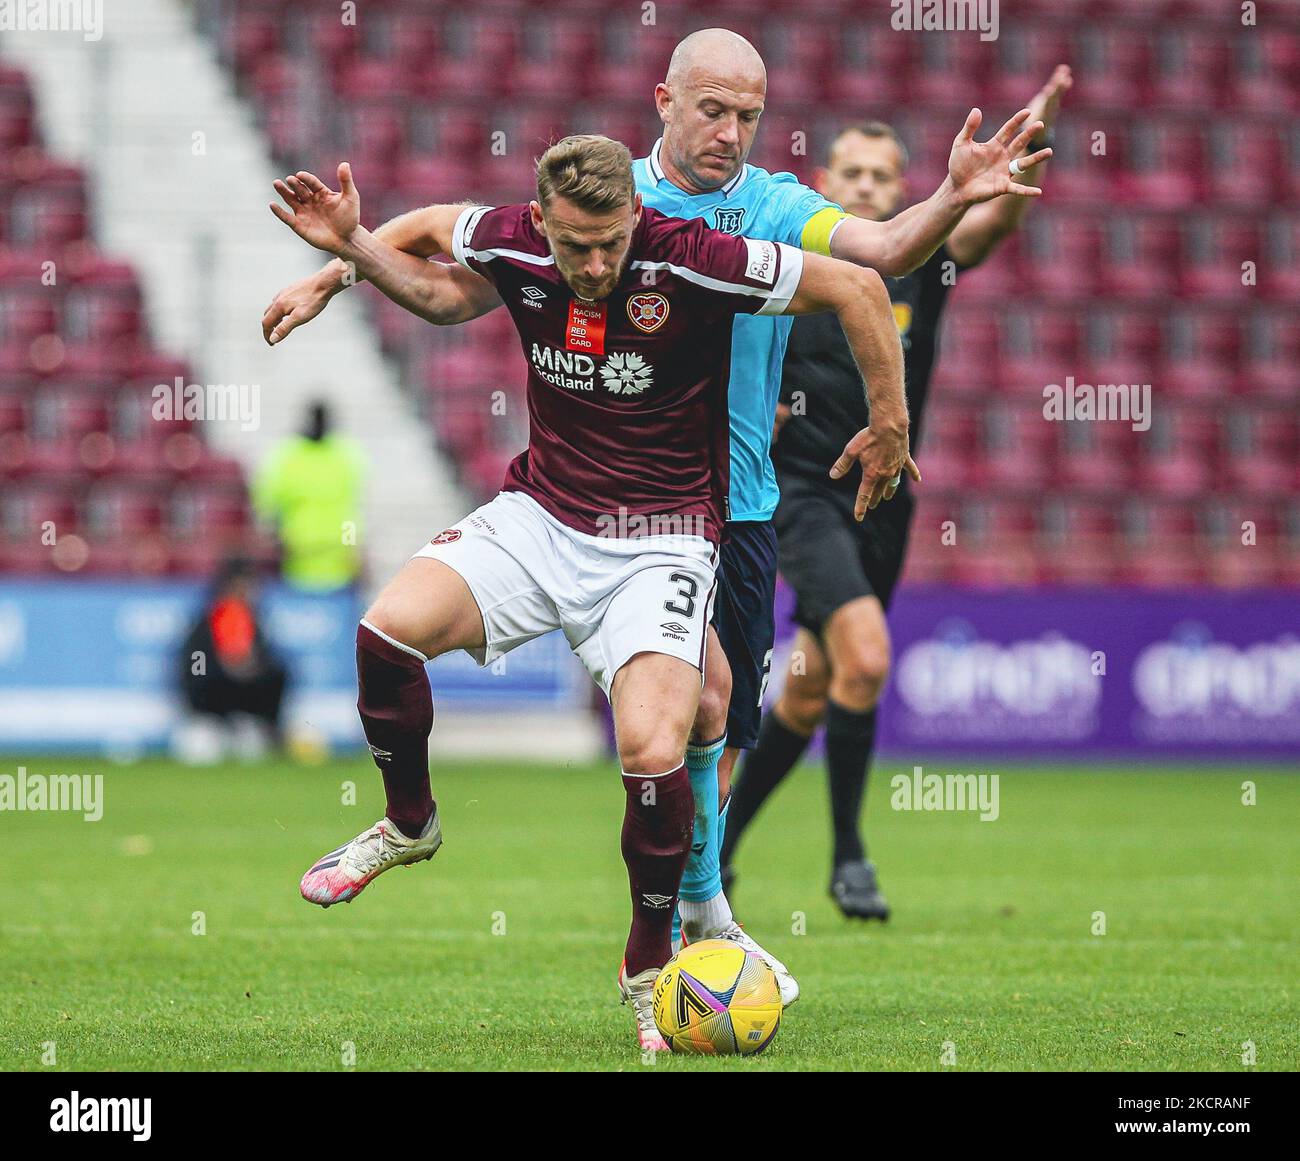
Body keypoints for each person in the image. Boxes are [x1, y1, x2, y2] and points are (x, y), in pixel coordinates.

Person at [262, 29, 1051, 987]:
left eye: (749, 116)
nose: (730, 132)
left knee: (712, 735)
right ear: (663, 99)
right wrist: (334, 265)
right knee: (677, 730)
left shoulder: (765, 208)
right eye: (713, 110)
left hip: (733, 503)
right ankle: (694, 934)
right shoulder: (597, 198)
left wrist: (950, 199)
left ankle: (700, 923)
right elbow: (442, 251)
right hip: (593, 503)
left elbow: (877, 254)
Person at [266, 133, 914, 1050]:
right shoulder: (509, 237)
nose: (598, 264)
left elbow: (856, 284)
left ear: (636, 221)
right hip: (542, 515)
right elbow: (442, 292)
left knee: (653, 747)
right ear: (541, 224)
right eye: (578, 247)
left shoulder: (693, 258)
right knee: (386, 631)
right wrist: (350, 252)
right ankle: (409, 821)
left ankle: (650, 964)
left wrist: (889, 424)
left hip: (663, 541)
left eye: (613, 243)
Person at [722, 66, 1073, 920]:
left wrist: (1020, 162)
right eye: (855, 173)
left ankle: (718, 851)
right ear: (825, 184)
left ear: (903, 187)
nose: (870, 186)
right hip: (801, 488)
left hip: (888, 496)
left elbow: (990, 224)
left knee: (810, 684)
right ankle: (850, 859)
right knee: (868, 655)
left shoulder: (923, 262)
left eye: (884, 175)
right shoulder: (792, 262)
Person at [178, 555, 288, 755]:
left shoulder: (252, 620)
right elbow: (196, 672)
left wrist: (251, 671)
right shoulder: (209, 621)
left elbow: (266, 665)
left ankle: (262, 728)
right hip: (209, 713)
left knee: (278, 673)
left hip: (243, 711)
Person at [252, 398, 366, 592]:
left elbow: (351, 511)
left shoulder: (345, 456)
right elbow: (268, 508)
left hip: (335, 563)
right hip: (296, 561)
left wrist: (353, 548)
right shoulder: (287, 456)